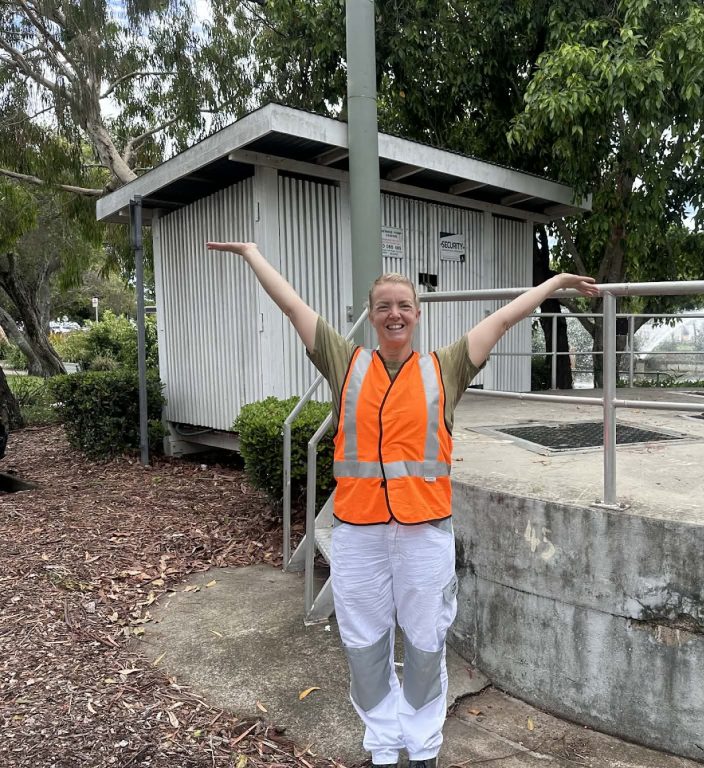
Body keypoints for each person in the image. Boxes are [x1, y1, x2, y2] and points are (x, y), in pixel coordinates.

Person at [206, 241, 599, 768]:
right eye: (384, 306)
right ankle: (384, 747)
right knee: (364, 644)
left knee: (426, 643)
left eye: (404, 306)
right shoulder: (346, 363)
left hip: (424, 532)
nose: (395, 314)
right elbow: (293, 307)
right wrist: (253, 254)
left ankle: (423, 747)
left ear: (417, 314)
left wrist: (555, 283)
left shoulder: (446, 367)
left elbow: (504, 320)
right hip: (358, 532)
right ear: (371, 317)